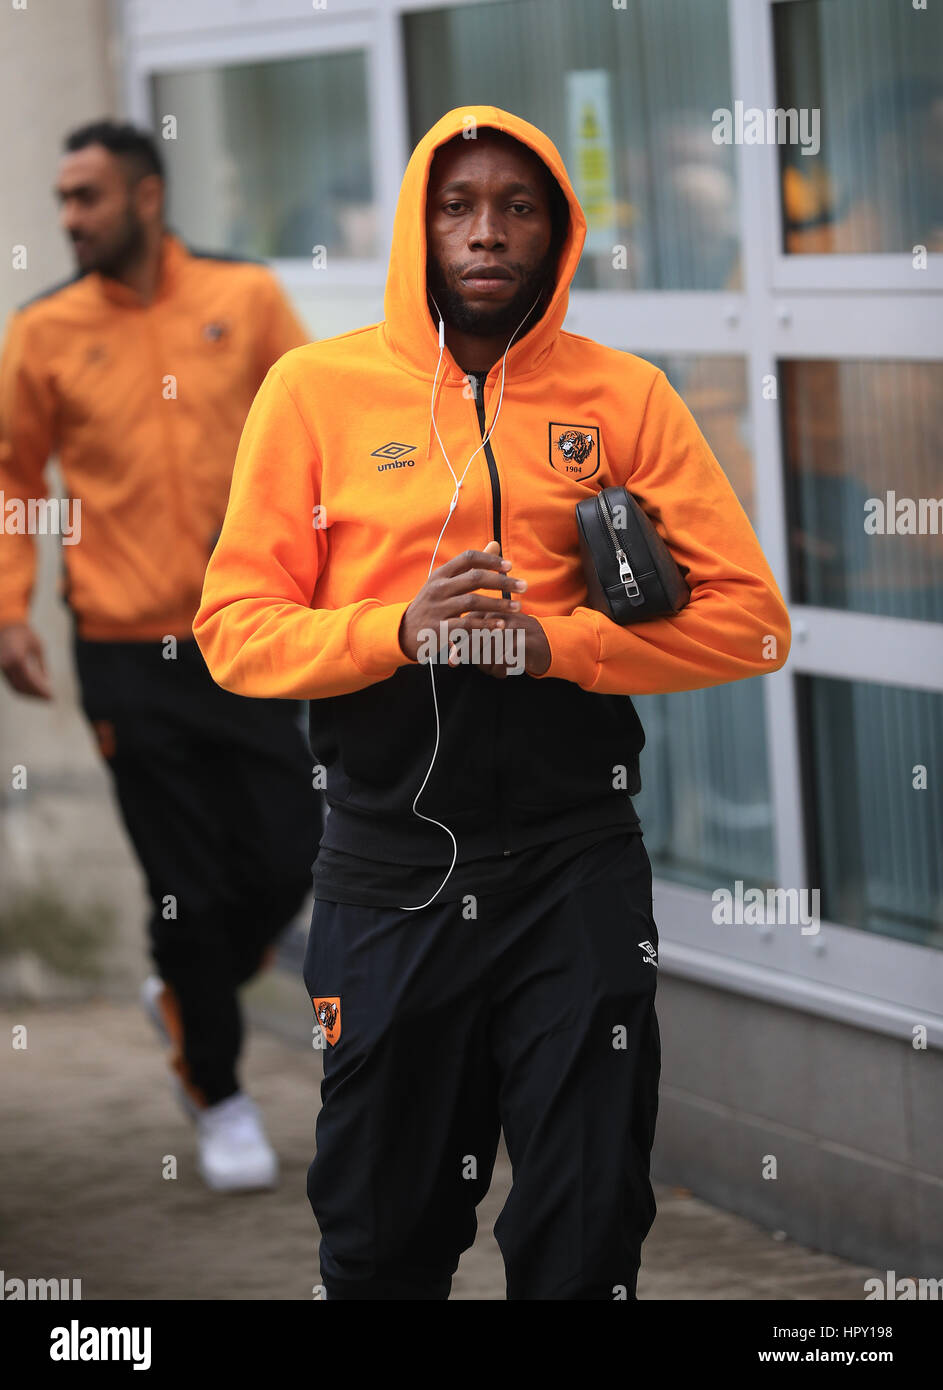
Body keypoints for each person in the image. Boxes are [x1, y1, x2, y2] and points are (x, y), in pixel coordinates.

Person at [193, 106, 791, 1298]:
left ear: (558, 230)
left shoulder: (625, 397)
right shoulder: (312, 392)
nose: (486, 232)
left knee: (585, 1224)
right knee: (382, 1227)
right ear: (419, 227)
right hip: (384, 869)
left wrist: (554, 644)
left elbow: (752, 621)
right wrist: (397, 630)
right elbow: (233, 632)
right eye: (458, 206)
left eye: (517, 207)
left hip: (576, 861)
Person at [0, 120, 321, 1193]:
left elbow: (314, 439)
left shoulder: (248, 298)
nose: (69, 219)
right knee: (182, 880)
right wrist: (10, 610)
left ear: (147, 197)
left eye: (86, 197)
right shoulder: (43, 330)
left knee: (292, 849)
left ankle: (191, 990)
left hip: (253, 628)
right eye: (62, 200)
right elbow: (11, 475)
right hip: (127, 652)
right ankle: (222, 1095)